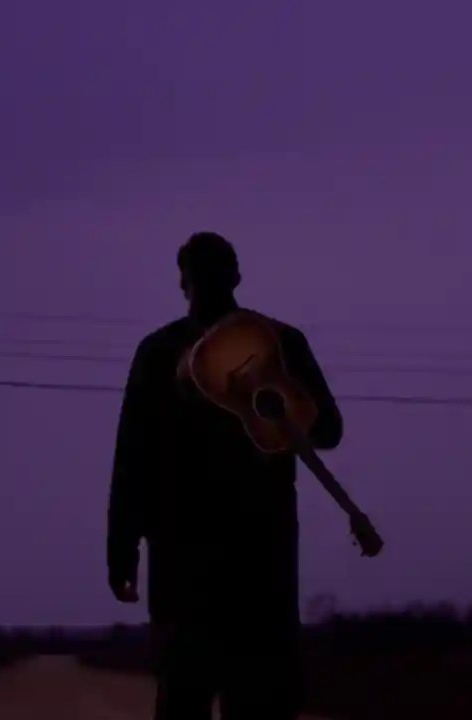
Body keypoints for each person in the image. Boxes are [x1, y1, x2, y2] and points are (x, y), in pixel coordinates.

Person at [106, 231, 343, 719]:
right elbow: (133, 455)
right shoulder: (163, 353)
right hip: (217, 559)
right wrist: (122, 547)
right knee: (209, 696)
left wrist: (123, 548)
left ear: (184, 282)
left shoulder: (276, 345)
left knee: (221, 697)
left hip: (241, 559)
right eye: (202, 275)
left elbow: (327, 430)